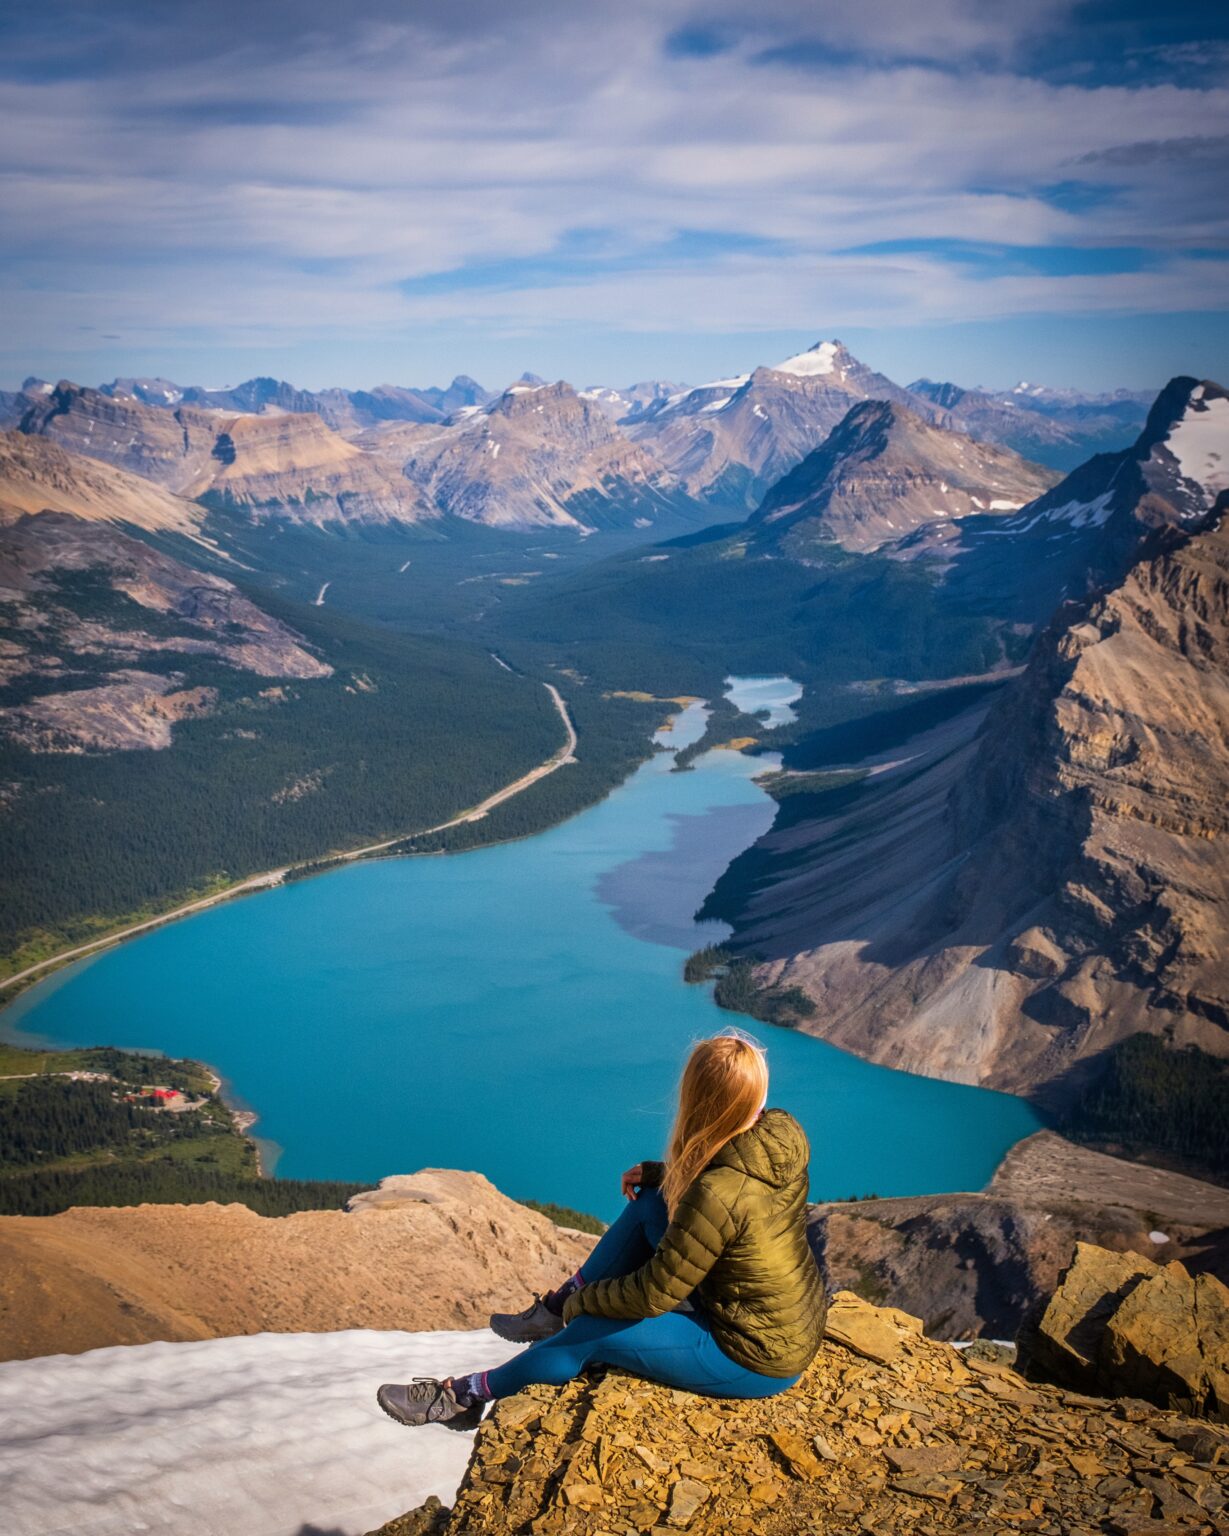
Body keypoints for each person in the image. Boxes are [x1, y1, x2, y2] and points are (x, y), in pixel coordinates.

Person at [376, 1030, 827, 1430]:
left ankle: (463, 1397)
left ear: (699, 1100)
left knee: (591, 1329)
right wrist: (661, 1174)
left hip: (752, 1355)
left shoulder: (717, 1193)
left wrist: (583, 1303)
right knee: (653, 1201)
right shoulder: (779, 1135)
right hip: (779, 1317)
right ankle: (554, 1308)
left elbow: (654, 1292)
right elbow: (734, 1192)